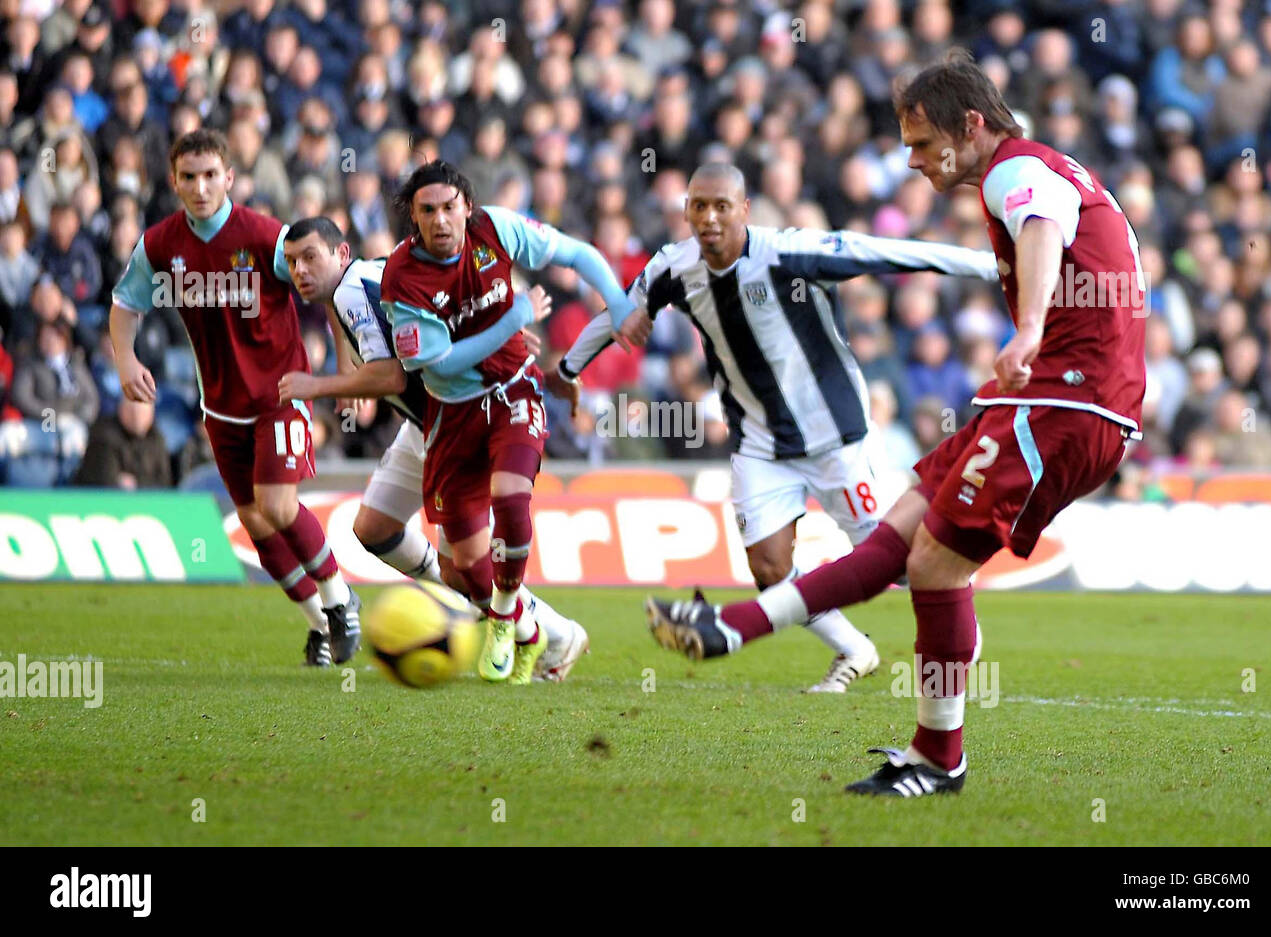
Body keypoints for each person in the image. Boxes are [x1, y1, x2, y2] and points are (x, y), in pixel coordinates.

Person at [647, 53, 1147, 796]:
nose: (911, 161)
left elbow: (1042, 227)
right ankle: (735, 628)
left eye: (920, 143)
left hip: (1069, 400)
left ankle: (939, 755)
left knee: (934, 566)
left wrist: (1032, 325)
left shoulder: (1017, 171)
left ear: (970, 126)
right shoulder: (1043, 167)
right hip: (1045, 396)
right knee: (898, 539)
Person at [562, 161, 1001, 693]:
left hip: (835, 436)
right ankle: (854, 650)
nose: (710, 218)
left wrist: (988, 264)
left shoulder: (787, 252)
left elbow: (882, 252)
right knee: (769, 568)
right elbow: (620, 313)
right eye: (699, 206)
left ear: (744, 210)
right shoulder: (671, 269)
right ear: (686, 212)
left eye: (722, 206)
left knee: (900, 565)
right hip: (759, 444)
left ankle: (958, 613)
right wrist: (566, 371)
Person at [276, 216, 590, 682]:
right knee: (374, 527)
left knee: (463, 569)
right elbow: (432, 315)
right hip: (422, 423)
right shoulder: (358, 281)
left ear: (340, 255)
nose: (300, 270)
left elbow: (391, 377)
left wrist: (318, 385)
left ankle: (556, 635)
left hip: (459, 422)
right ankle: (461, 604)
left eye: (310, 258)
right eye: (292, 262)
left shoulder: (352, 290)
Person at [108, 128, 361, 668]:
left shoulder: (266, 238)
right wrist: (126, 360)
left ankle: (341, 599)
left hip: (281, 391)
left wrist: (343, 370)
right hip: (221, 405)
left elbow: (332, 285)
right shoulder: (160, 244)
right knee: (255, 521)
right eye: (188, 177)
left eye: (209, 176)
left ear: (229, 177)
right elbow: (125, 306)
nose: (200, 187)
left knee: (276, 504)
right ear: (174, 182)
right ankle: (319, 623)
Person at [379, 160, 635, 684]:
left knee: (512, 496)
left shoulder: (497, 229)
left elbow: (579, 254)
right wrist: (516, 319)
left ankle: (500, 618)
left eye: (450, 207)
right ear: (414, 218)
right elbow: (443, 362)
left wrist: (621, 304)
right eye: (428, 211)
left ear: (467, 208)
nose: (441, 220)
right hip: (452, 414)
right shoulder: (402, 278)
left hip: (514, 387)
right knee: (466, 567)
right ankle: (525, 626)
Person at [74, 396, 172, 488]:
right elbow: (108, 482)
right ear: (121, 409)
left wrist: (136, 482)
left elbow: (164, 481)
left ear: (151, 414)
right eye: (132, 411)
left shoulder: (156, 438)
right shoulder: (104, 435)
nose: (137, 417)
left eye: (142, 412)